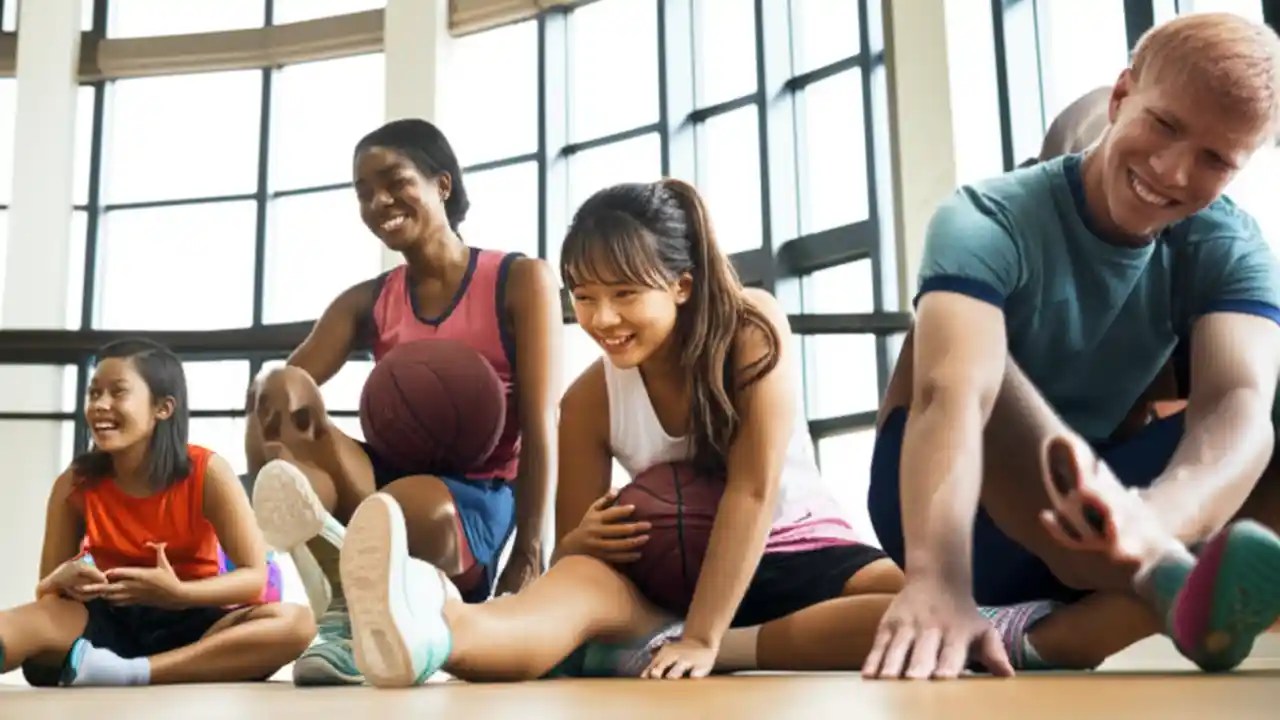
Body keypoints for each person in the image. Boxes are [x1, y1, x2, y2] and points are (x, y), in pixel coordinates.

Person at [331, 177, 904, 688]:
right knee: (568, 600)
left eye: (625, 294)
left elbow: (752, 492)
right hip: (668, 574)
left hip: (794, 546)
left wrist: (705, 640)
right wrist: (584, 544)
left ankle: (717, 647)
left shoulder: (748, 327)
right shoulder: (587, 400)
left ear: (680, 285)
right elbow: (572, 553)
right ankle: (433, 622)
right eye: (584, 297)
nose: (602, 318)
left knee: (910, 607)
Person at [864, 12, 1280, 680]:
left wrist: (1154, 516)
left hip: (1099, 511)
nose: (1172, 172)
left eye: (1215, 160)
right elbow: (952, 395)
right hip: (954, 509)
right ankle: (1160, 573)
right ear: (1121, 98)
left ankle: (1088, 629)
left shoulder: (1230, 247)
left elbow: (1240, 403)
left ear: (1242, 166)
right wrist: (937, 577)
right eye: (1164, 125)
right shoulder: (985, 217)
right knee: (980, 357)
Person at [244, 118, 562, 686]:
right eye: (363, 192)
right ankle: (348, 596)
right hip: (389, 479)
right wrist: (278, 389)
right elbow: (282, 400)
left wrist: (531, 552)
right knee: (282, 397)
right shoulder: (366, 302)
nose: (377, 202)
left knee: (415, 505)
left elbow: (541, 423)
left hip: (477, 495)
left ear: (442, 184)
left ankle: (347, 579)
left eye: (393, 182)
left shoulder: (520, 280)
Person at [0, 339, 314, 687]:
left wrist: (178, 594)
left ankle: (132, 672)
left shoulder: (207, 472)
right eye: (94, 393)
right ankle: (107, 667)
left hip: (196, 622)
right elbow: (48, 593)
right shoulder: (74, 483)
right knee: (27, 623)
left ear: (162, 408)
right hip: (107, 622)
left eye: (117, 393)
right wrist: (60, 580)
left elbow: (254, 577)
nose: (99, 406)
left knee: (297, 622)